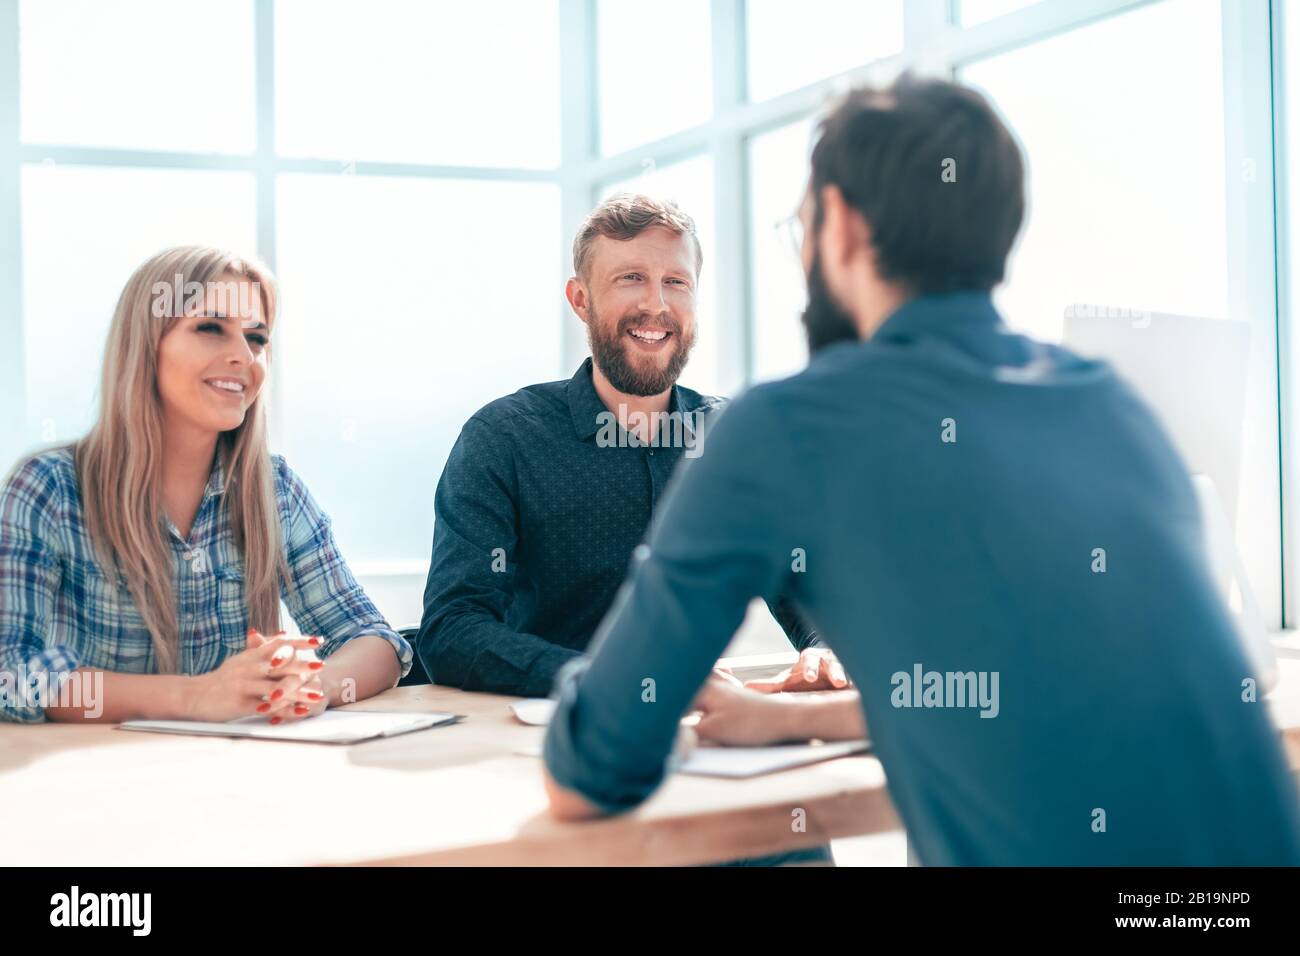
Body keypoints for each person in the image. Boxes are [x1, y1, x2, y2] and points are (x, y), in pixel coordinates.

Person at [542, 76, 1300, 865]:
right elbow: (1016, 693)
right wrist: (790, 716)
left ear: (837, 225)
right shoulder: (1111, 406)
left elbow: (590, 770)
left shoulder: (785, 428)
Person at [417, 194, 843, 699]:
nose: (657, 306)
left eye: (676, 282)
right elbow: (452, 630)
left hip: (702, 730)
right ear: (580, 300)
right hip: (541, 732)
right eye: (631, 278)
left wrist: (828, 648)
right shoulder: (503, 438)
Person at [0, 246, 412, 724]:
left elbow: (374, 640)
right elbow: (11, 674)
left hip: (232, 780)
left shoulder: (272, 488)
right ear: (146, 344)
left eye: (256, 338)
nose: (243, 356)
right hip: (94, 781)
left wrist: (310, 684)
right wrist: (195, 696)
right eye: (210, 328)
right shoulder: (50, 489)